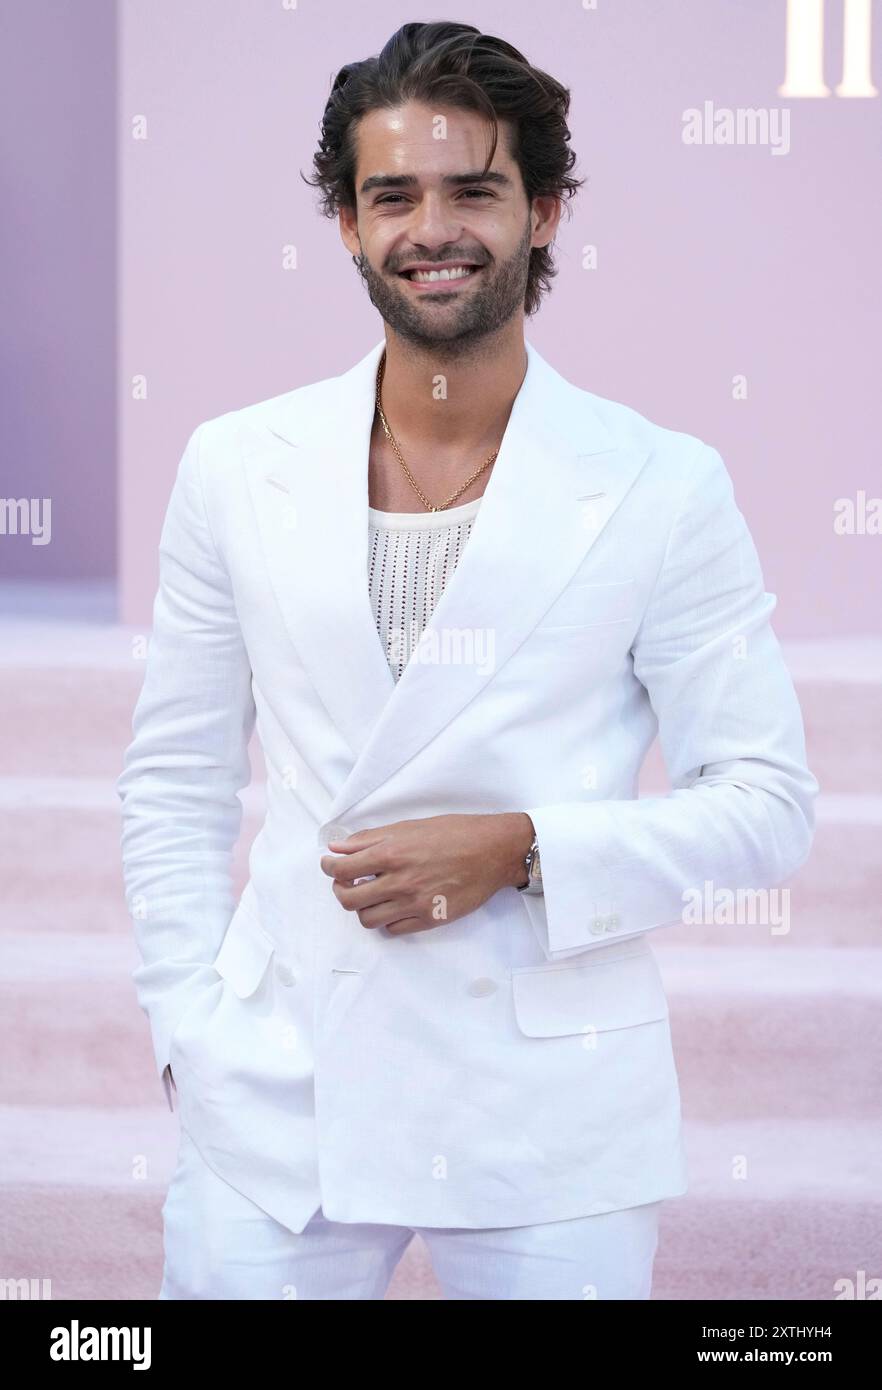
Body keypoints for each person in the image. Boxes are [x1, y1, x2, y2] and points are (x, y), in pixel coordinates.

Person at [116, 20, 818, 1301]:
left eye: (474, 191)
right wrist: (188, 1031)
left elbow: (767, 805)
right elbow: (173, 779)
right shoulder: (235, 463)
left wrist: (525, 849)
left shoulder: (661, 486)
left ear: (544, 211)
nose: (432, 228)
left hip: (546, 1109)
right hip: (279, 1097)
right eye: (393, 194)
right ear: (346, 223)